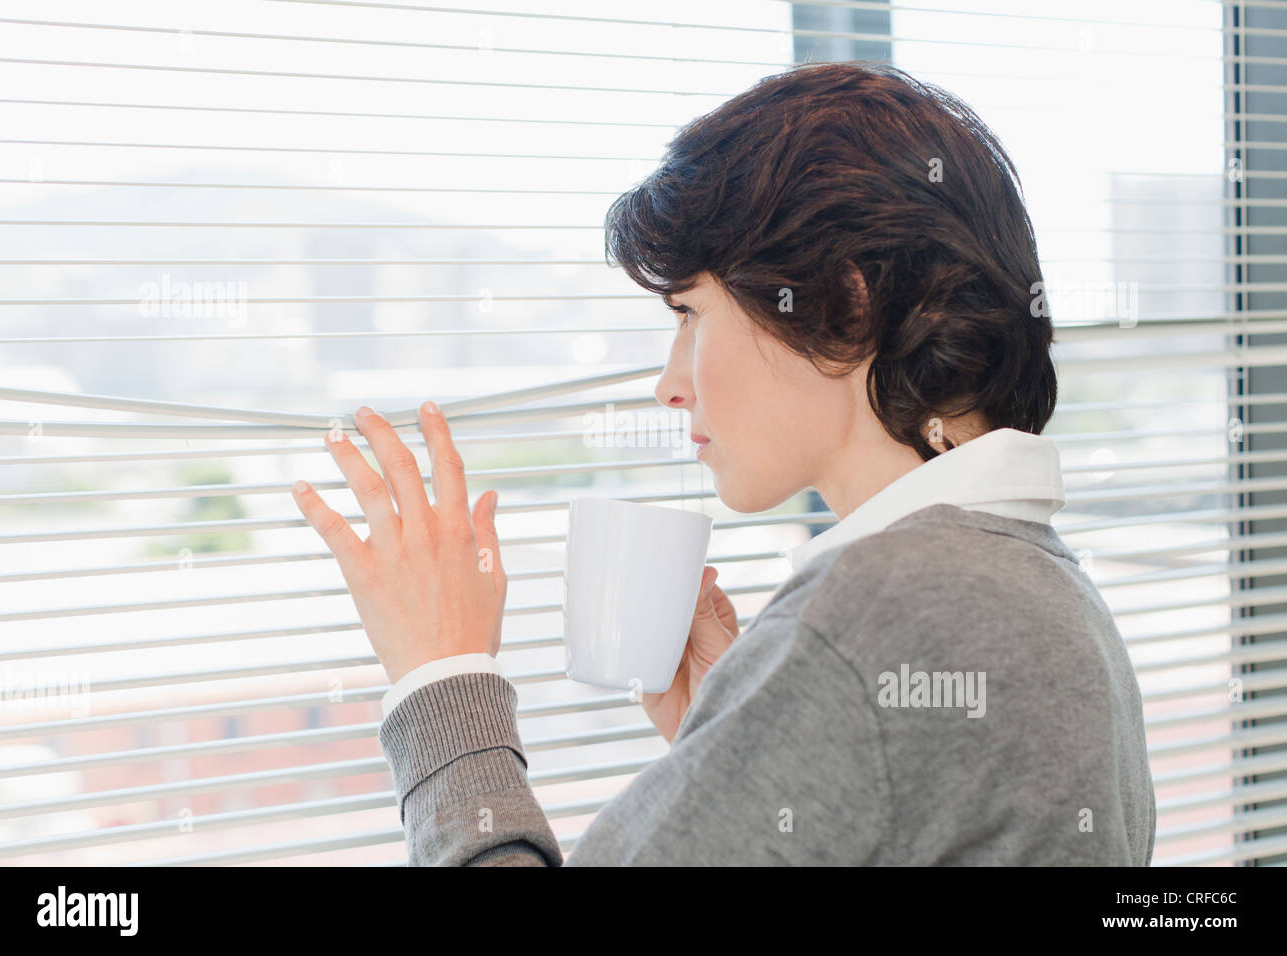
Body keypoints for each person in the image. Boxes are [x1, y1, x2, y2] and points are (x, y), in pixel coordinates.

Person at [292, 61, 1156, 866]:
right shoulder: (1047, 588)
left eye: (691, 315)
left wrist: (441, 675)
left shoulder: (884, 612)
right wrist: (740, 736)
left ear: (843, 307)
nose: (672, 385)